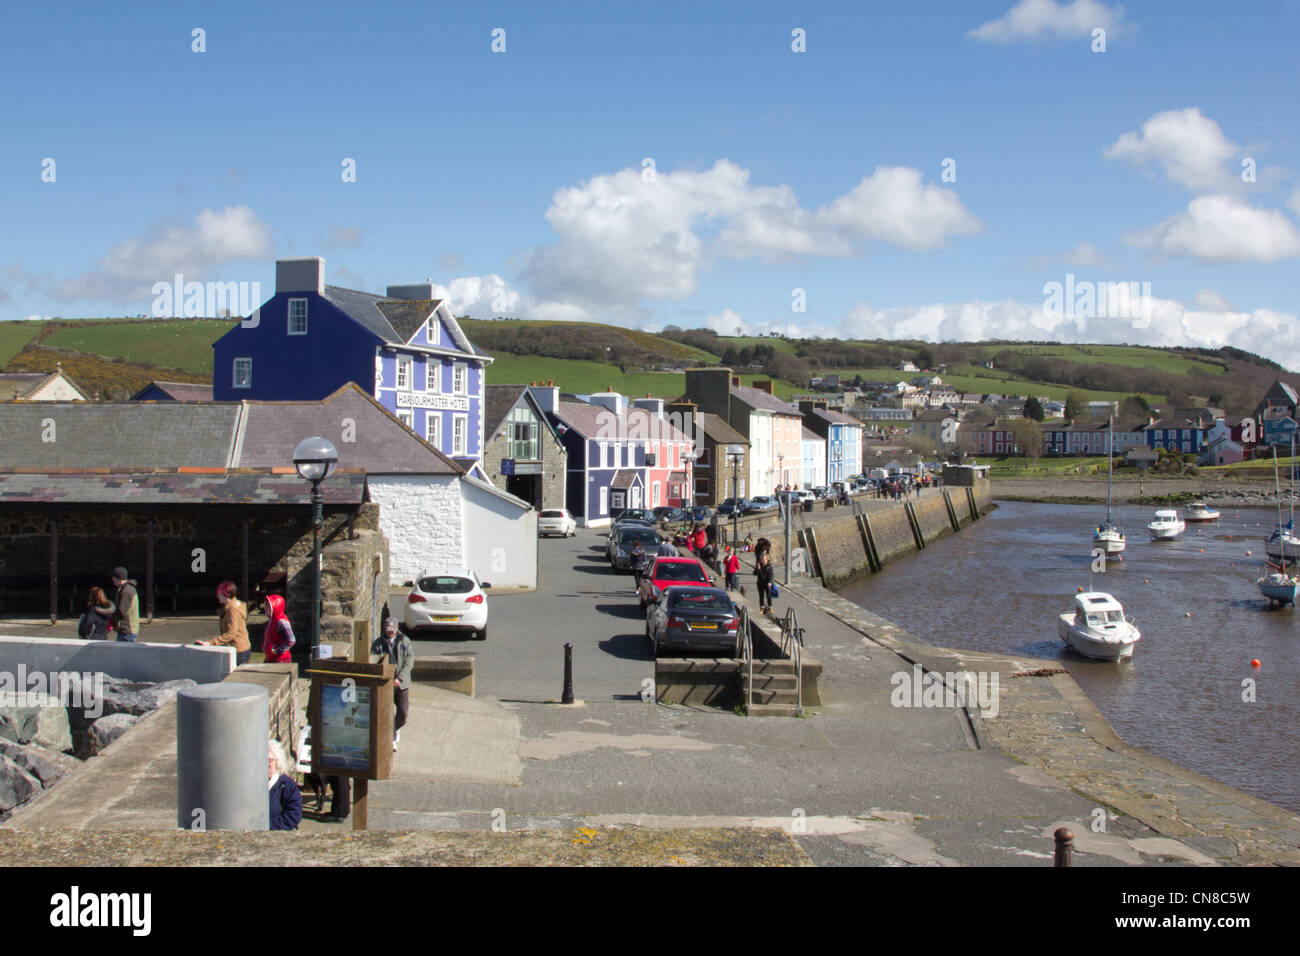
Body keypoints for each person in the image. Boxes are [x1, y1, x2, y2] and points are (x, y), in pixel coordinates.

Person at [370, 617, 413, 752]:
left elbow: (409, 661)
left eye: (392, 631)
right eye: (388, 631)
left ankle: (395, 729)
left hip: (401, 684)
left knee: (403, 713)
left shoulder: (405, 641)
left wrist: (399, 679)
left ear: (397, 629)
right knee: (387, 713)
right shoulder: (378, 644)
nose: (390, 634)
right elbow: (373, 661)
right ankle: (392, 739)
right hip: (385, 683)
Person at [195, 580, 251, 665]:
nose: (217, 595)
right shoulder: (234, 605)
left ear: (226, 594)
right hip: (241, 648)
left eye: (219, 593)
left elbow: (231, 633)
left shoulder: (233, 610)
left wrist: (210, 643)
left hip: (238, 651)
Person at [268, 739, 303, 830]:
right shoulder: (251, 786)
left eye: (269, 760)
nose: (265, 764)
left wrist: (267, 826)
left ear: (277, 762)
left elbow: (294, 816)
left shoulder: (287, 786)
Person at [261, 593, 296, 664]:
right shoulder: (271, 620)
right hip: (271, 658)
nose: (265, 607)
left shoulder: (281, 622)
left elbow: (291, 640)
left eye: (268, 606)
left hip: (281, 660)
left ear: (275, 607)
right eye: (266, 605)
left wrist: (278, 650)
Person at [110, 567, 139, 642]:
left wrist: (110, 616)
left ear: (119, 579)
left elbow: (121, 611)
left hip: (127, 630)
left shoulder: (126, 591)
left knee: (125, 653)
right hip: (126, 630)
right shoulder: (125, 589)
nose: (114, 582)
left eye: (114, 580)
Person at [755, 550, 774, 615]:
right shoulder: (760, 566)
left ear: (767, 560)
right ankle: (762, 608)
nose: (762, 560)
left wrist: (770, 582)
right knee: (761, 596)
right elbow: (756, 574)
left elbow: (771, 575)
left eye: (764, 559)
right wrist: (758, 569)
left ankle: (770, 607)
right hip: (760, 583)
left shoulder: (769, 567)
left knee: (769, 595)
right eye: (762, 559)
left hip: (767, 583)